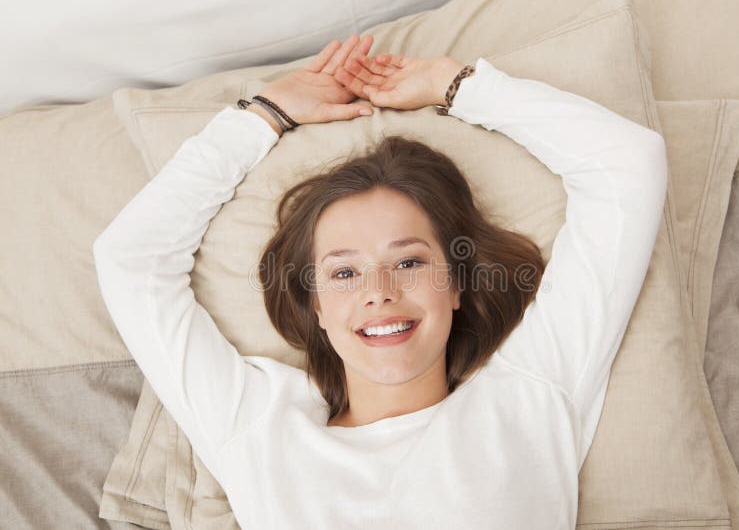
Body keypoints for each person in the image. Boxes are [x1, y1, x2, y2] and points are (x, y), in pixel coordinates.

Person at [93, 33, 667, 530]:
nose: (379, 291)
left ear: (456, 285)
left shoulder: (531, 395)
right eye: (344, 272)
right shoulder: (258, 428)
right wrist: (263, 115)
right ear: (315, 305)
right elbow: (130, 259)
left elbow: (627, 163)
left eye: (410, 262)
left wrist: (457, 85)